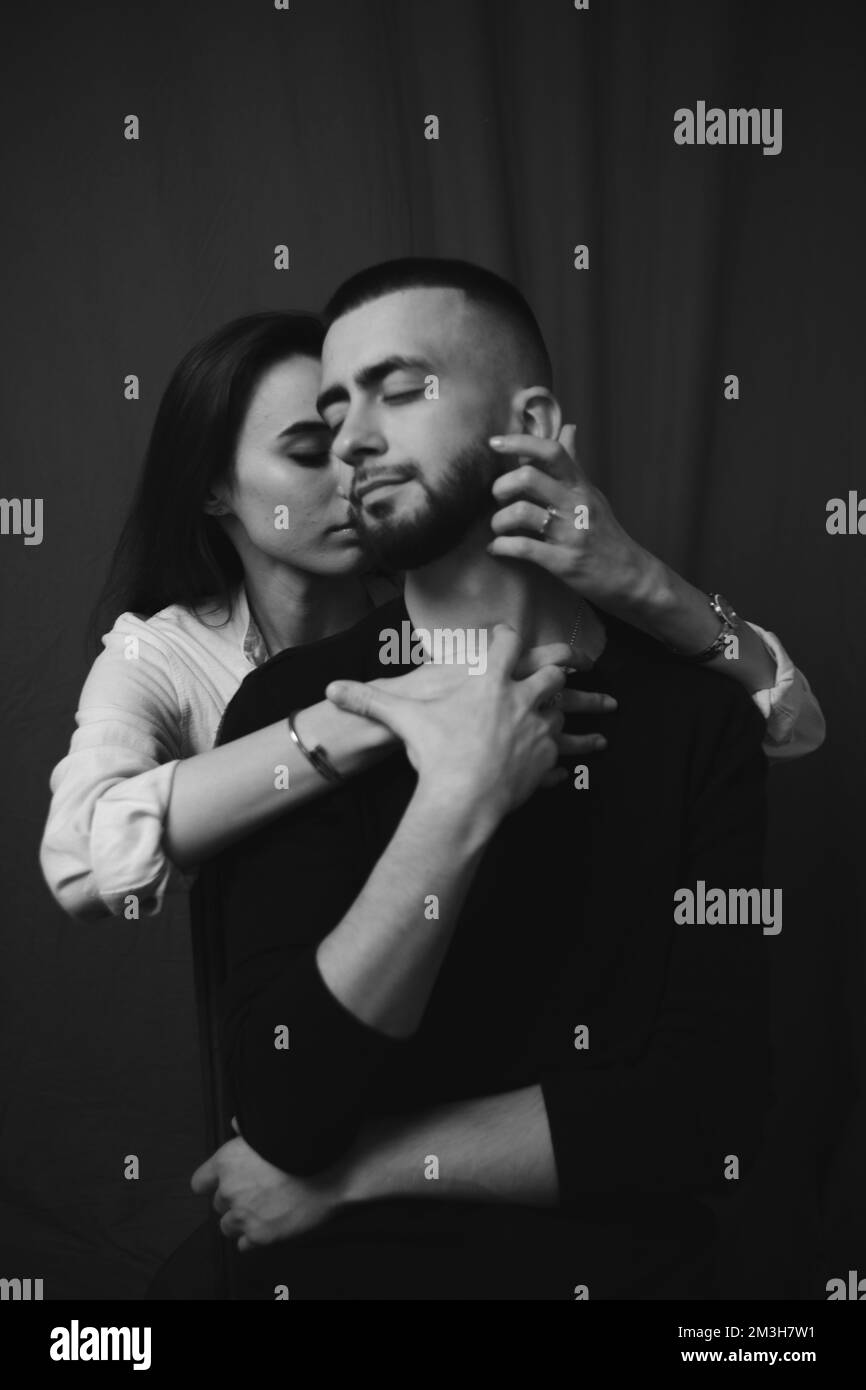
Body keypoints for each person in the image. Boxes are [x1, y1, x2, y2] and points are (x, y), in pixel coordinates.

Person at [188, 258, 778, 1301]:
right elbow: (282, 1103)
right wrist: (459, 798)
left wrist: (356, 1174)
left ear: (531, 422)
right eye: (332, 409)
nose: (352, 439)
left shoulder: (697, 720)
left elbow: (702, 1114)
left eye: (400, 389)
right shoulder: (295, 712)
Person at [39, 303, 824, 927]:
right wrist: (382, 713)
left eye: (360, 434)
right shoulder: (163, 658)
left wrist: (647, 583)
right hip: (304, 1054)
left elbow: (790, 727)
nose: (352, 468)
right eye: (313, 451)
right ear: (213, 489)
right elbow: (80, 863)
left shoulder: (450, 590)